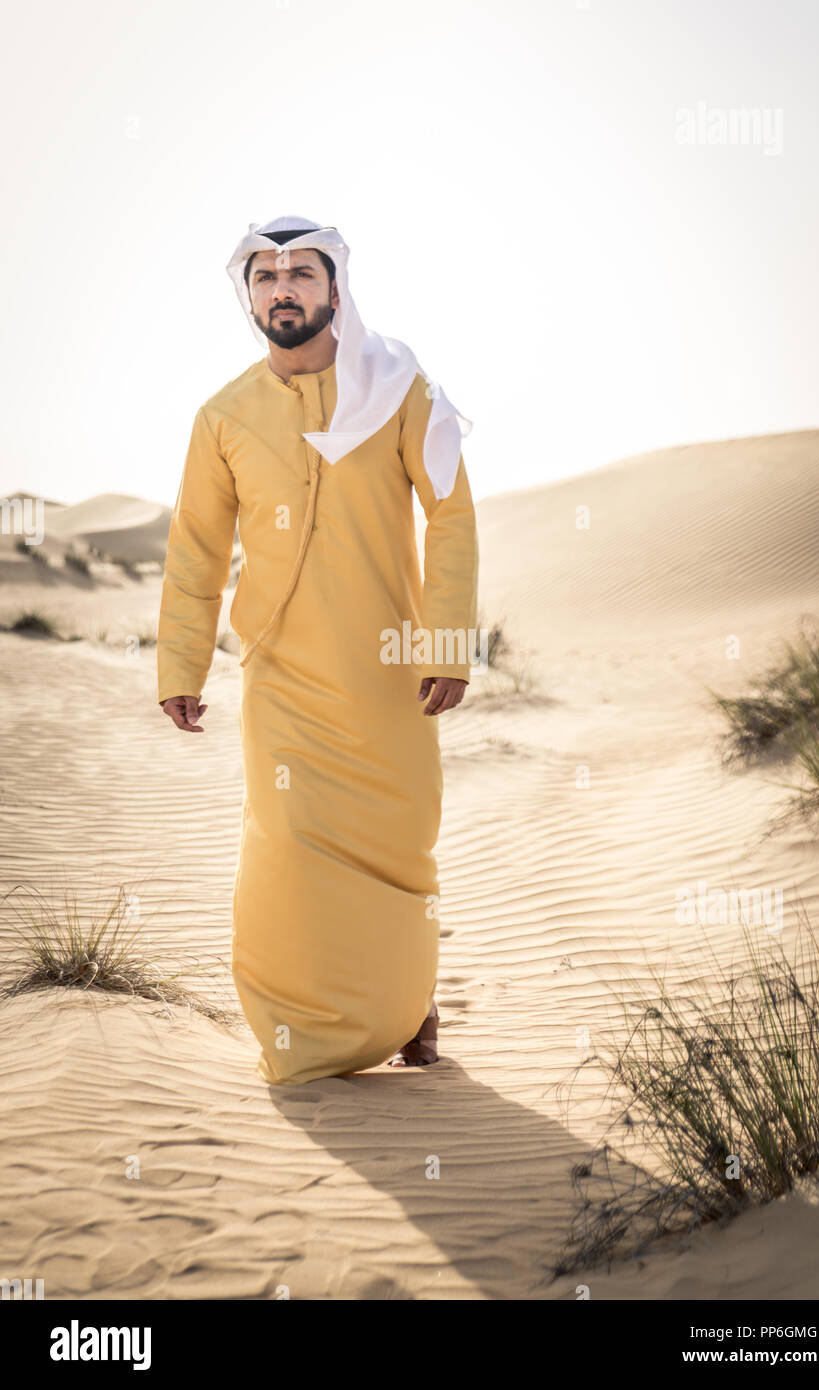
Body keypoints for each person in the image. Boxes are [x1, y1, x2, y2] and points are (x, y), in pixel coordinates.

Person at [156, 215, 479, 1084]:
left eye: (301, 273)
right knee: (290, 846)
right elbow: (195, 550)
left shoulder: (399, 391)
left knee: (395, 846)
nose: (283, 289)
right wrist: (181, 665)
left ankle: (409, 1004)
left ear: (336, 289)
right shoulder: (223, 416)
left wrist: (448, 641)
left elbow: (450, 514)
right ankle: (301, 1033)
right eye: (265, 277)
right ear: (248, 296)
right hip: (281, 673)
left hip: (388, 673)